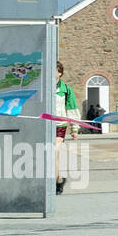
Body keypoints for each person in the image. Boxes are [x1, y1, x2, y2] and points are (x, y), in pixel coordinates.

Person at [53, 62, 80, 194]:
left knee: (53, 151)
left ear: (60, 73)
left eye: (54, 70)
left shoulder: (66, 89)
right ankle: (59, 179)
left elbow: (72, 109)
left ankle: (54, 183)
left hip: (60, 126)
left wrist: (74, 129)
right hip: (45, 124)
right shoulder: (43, 87)